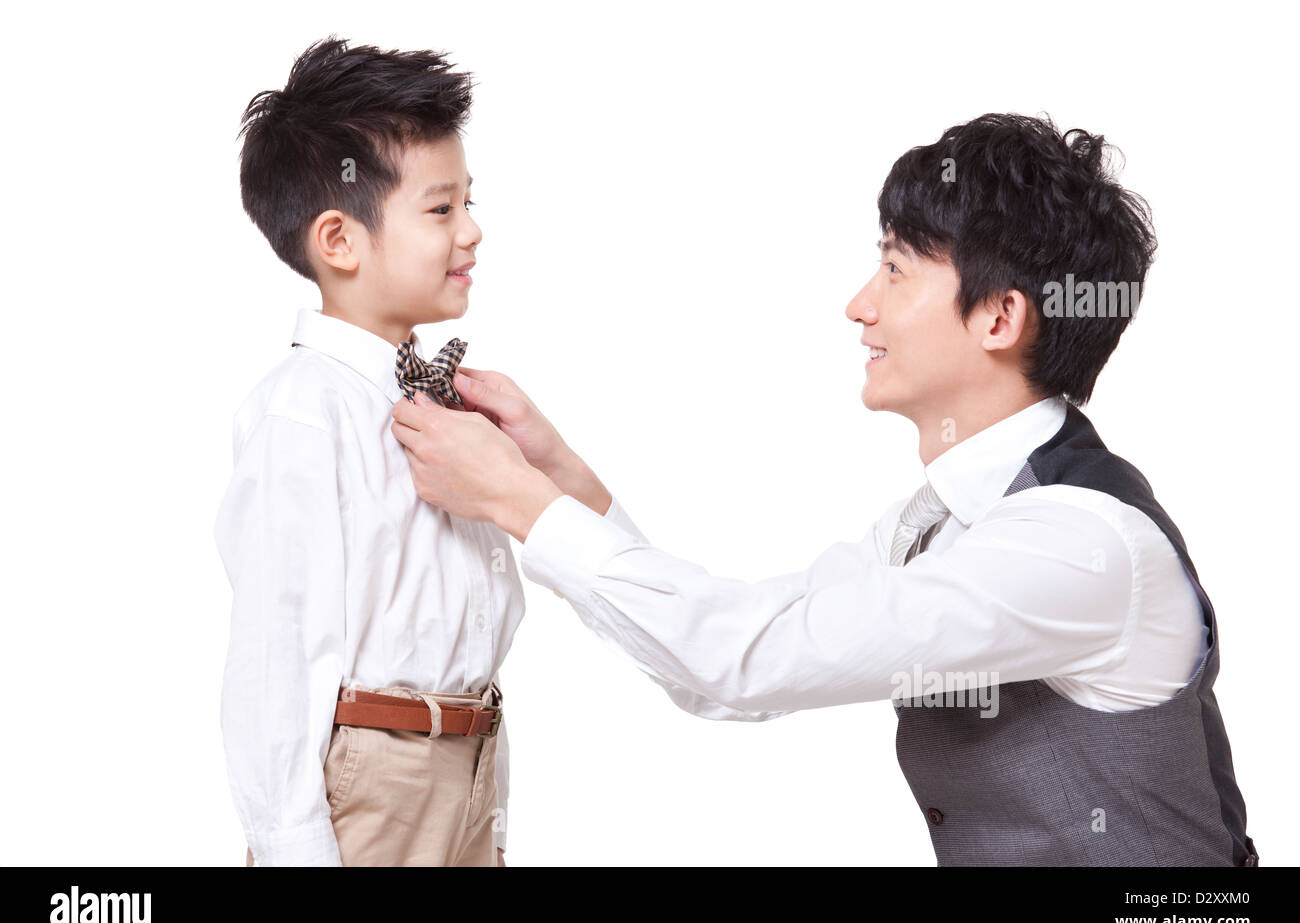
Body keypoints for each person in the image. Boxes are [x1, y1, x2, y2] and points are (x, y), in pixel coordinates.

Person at [389, 113, 1259, 866]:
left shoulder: (1077, 544)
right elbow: (730, 668)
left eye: (895, 271)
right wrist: (559, 485)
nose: (858, 306)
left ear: (1000, 317)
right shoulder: (942, 522)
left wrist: (517, 505)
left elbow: (749, 659)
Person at [214, 36, 516, 866]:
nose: (473, 231)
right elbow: (279, 653)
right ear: (340, 242)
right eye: (442, 209)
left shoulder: (436, 397)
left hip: (470, 752)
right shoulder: (305, 411)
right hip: (375, 774)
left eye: (469, 203)